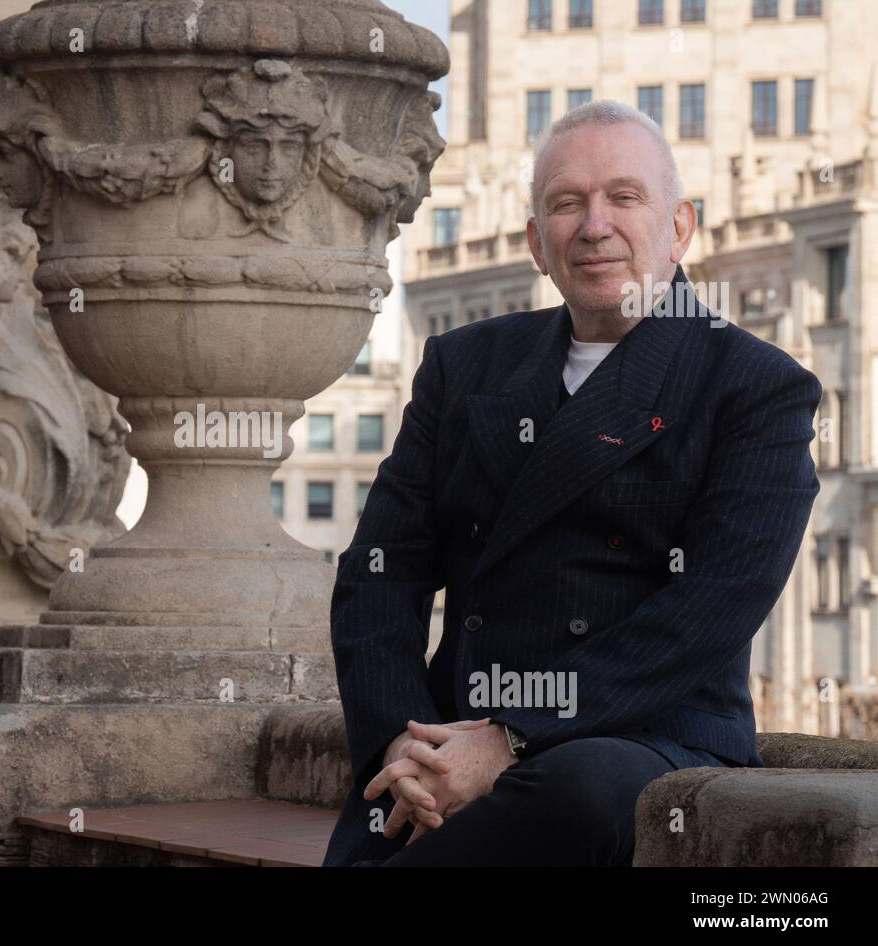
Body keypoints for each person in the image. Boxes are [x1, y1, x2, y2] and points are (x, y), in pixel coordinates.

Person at [322, 101, 822, 867]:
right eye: (566, 203)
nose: (594, 226)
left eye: (624, 197)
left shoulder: (755, 387)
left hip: (647, 743)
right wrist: (404, 741)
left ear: (680, 227)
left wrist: (514, 737)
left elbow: (704, 614)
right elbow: (378, 575)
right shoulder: (464, 366)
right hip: (447, 742)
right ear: (534, 242)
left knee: (581, 786)